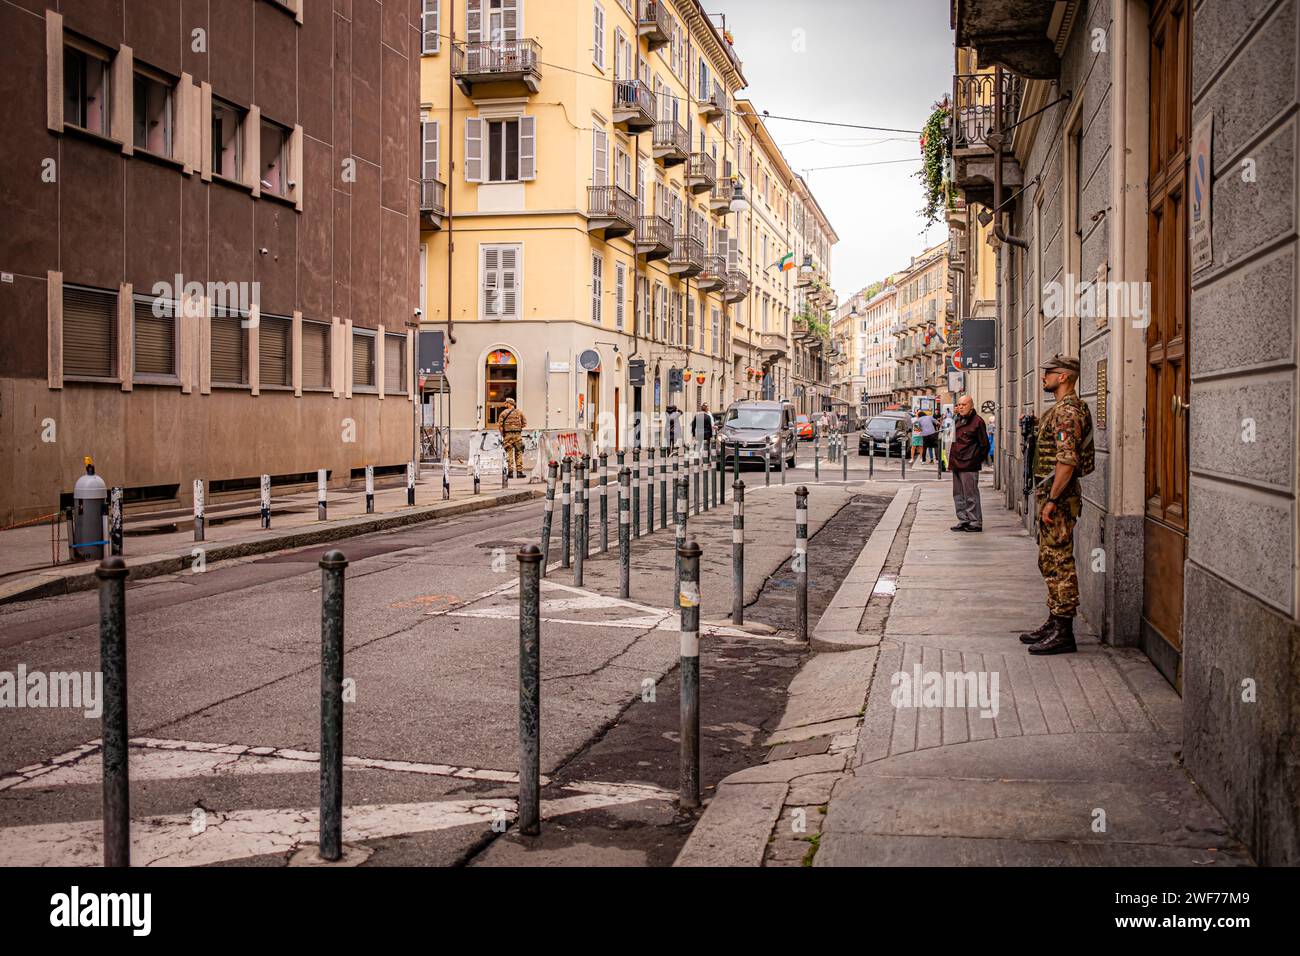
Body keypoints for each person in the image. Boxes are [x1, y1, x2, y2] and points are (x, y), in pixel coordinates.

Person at [1020, 355, 1094, 655]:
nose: (1044, 377)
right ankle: (1054, 620)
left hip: (1058, 498)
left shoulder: (1069, 411)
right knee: (1049, 560)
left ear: (1064, 377)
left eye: (1049, 372)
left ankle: (1064, 630)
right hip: (1051, 495)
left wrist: (1052, 501)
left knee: (1059, 562)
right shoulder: (1060, 411)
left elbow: (1066, 460)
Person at [948, 395, 990, 532]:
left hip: (969, 464)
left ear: (971, 406)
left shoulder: (978, 421)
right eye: (959, 405)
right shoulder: (957, 420)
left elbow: (984, 445)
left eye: (964, 404)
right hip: (956, 462)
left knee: (971, 495)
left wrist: (975, 460)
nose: (960, 407)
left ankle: (975, 522)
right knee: (958, 495)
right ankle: (963, 520)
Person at [497, 397, 527, 477]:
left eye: (506, 403)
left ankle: (510, 472)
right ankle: (519, 472)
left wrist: (503, 434)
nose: (505, 404)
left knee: (509, 453)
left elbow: (500, 426)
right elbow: (524, 423)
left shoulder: (503, 413)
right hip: (517, 435)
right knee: (519, 453)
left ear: (509, 404)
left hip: (508, 435)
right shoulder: (519, 412)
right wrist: (517, 428)